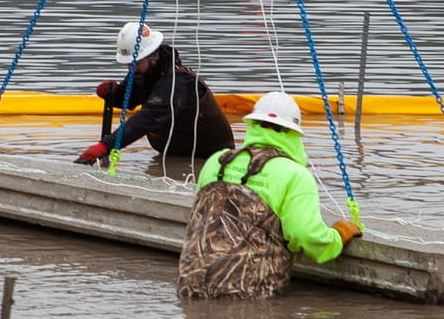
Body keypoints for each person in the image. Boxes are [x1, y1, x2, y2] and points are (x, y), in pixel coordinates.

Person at [177, 91, 363, 299]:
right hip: (248, 295)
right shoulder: (295, 175)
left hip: (191, 286)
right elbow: (304, 235)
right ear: (293, 134)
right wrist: (337, 237)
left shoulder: (217, 161)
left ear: (253, 125)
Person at [76, 22, 234, 166]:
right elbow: (130, 99)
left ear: (153, 56)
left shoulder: (177, 83)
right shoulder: (144, 73)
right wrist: (115, 94)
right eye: (128, 64)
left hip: (210, 158)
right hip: (175, 154)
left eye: (135, 63)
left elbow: (147, 119)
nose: (131, 68)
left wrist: (106, 145)